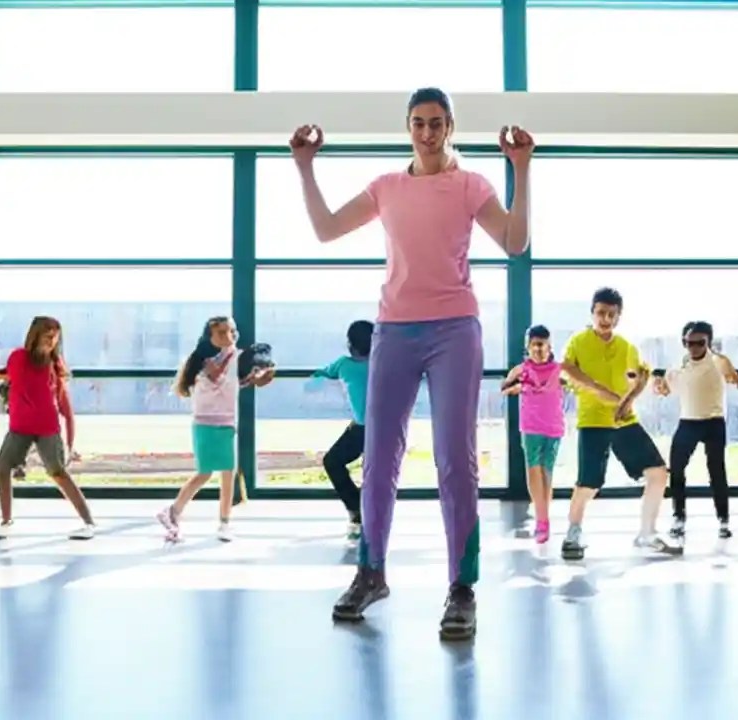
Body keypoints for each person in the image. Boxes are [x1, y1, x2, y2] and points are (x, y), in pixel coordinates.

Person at [291, 87, 534, 640]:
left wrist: (521, 168)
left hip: (455, 330)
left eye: (437, 123)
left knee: (455, 459)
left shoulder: (472, 185)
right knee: (379, 456)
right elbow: (327, 228)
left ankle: (462, 588)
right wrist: (304, 167)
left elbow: (515, 241)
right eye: (419, 123)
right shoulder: (387, 187)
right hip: (394, 330)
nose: (428, 132)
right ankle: (370, 573)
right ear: (408, 127)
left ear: (451, 127)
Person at [559, 288, 682, 561]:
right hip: (593, 421)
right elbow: (567, 369)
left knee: (659, 473)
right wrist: (604, 393)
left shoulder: (627, 347)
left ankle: (647, 534)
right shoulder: (578, 341)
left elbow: (641, 376)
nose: (605, 319)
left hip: (625, 422)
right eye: (601, 313)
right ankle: (573, 532)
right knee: (589, 483)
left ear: (618, 317)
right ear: (592, 313)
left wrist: (629, 399)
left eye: (611, 315)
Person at [157, 316, 274, 543]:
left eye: (231, 331)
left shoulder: (235, 358)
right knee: (204, 473)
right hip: (204, 424)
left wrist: (261, 376)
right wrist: (219, 374)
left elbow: (248, 376)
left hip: (227, 423)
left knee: (227, 473)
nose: (228, 336)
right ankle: (172, 512)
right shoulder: (202, 362)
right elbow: (214, 382)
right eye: (221, 333)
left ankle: (224, 523)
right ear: (209, 337)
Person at [0, 316, 96, 540]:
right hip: (20, 428)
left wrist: (70, 442)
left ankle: (89, 523)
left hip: (48, 429)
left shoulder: (55, 368)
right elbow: (15, 377)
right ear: (35, 336)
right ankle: (6, 521)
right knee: (1, 469)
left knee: (58, 473)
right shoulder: (18, 358)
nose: (52, 341)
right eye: (48, 336)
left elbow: (66, 408)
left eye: (55, 338)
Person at [653, 321, 738, 540]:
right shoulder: (678, 368)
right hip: (688, 422)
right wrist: (657, 383)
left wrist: (732, 375)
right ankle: (679, 517)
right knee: (677, 469)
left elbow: (731, 375)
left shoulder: (718, 361)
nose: (694, 347)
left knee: (716, 471)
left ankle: (723, 520)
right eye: (688, 343)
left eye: (699, 343)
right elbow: (664, 388)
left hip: (713, 422)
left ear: (708, 342)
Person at [308, 320, 373, 543]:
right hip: (381, 430)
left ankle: (356, 510)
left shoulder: (343, 365)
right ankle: (360, 511)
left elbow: (316, 380)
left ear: (349, 344)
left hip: (362, 428)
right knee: (375, 474)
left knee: (332, 462)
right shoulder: (383, 363)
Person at [501, 325, 564, 543]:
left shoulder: (559, 369)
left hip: (554, 428)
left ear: (549, 346)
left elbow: (575, 385)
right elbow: (504, 388)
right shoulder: (521, 369)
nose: (539, 350)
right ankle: (541, 520)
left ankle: (544, 517)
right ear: (528, 347)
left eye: (543, 345)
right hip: (531, 427)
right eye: (535, 345)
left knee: (547, 473)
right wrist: (519, 387)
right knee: (533, 470)